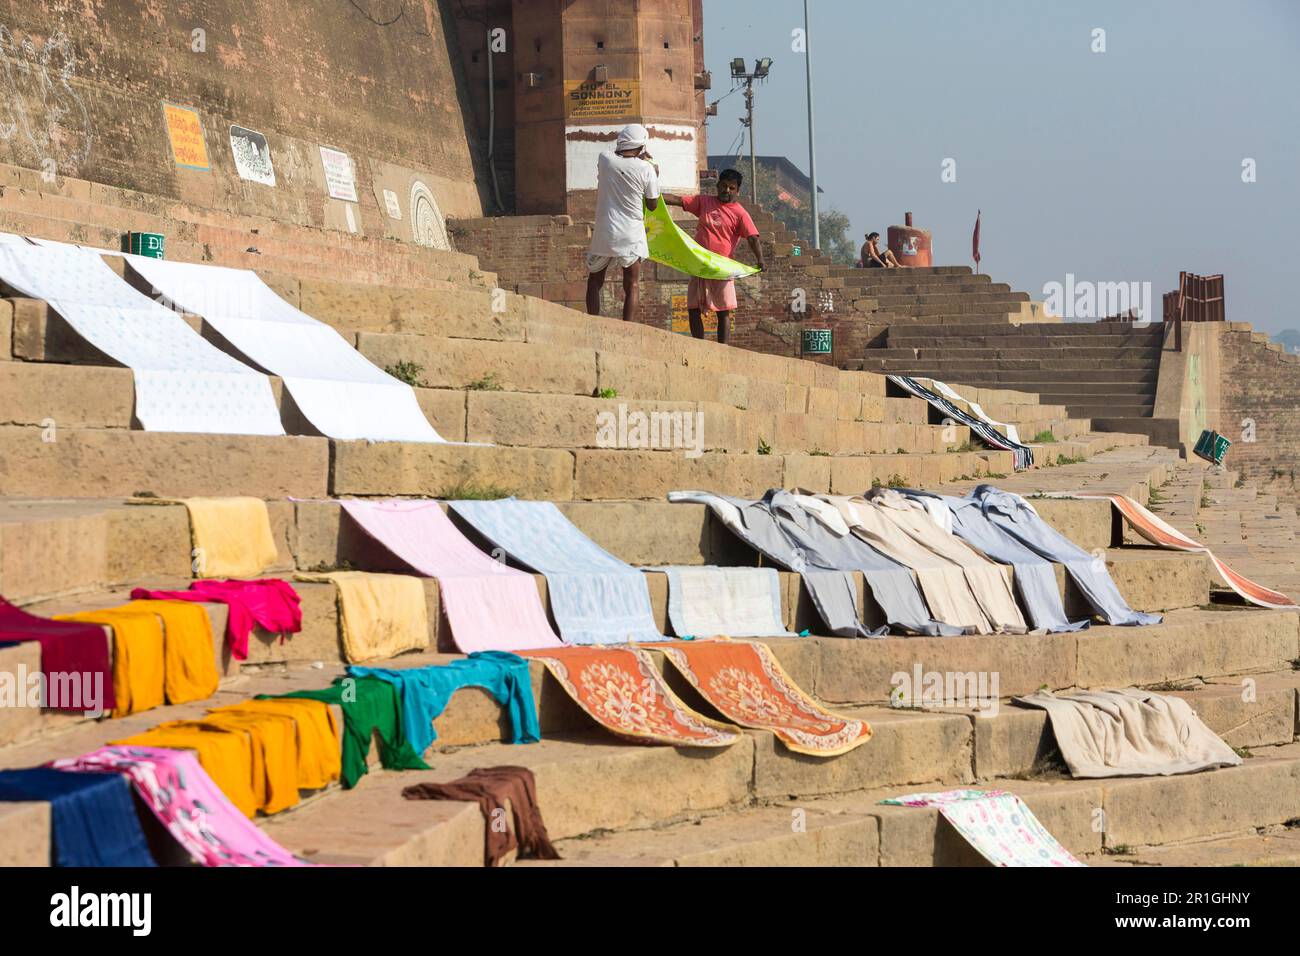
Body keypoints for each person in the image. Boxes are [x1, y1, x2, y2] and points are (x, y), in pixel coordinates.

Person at [662, 168, 765, 344]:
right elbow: (679, 201)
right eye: (724, 186)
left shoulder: (740, 213)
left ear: (737, 191)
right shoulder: (704, 202)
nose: (727, 190)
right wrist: (652, 196)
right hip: (699, 263)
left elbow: (752, 238)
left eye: (732, 188)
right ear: (717, 186)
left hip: (722, 268)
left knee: (723, 311)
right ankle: (699, 346)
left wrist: (760, 259)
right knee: (693, 308)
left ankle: (722, 349)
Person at [586, 123, 660, 322]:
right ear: (642, 146)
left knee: (594, 281)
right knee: (632, 284)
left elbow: (619, 158)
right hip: (631, 232)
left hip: (605, 230)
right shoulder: (647, 169)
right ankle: (627, 328)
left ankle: (593, 322)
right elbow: (652, 205)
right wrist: (653, 173)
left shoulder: (604, 159)